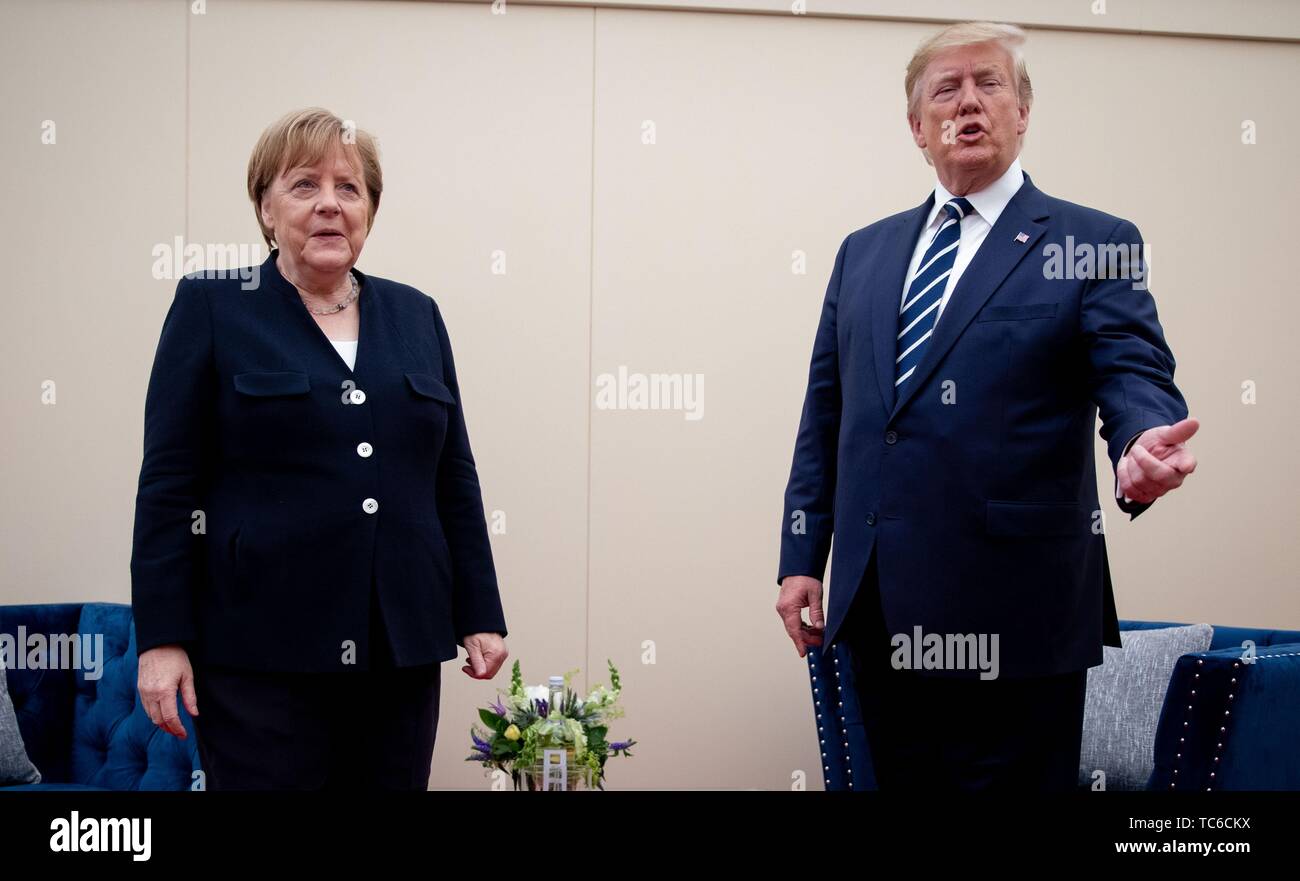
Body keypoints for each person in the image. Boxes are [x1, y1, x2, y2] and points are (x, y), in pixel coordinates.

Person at [774, 22, 1198, 791]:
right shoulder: (862, 253)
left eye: (990, 84)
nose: (968, 102)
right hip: (880, 610)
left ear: (1023, 110)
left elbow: (1133, 368)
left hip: (1020, 617)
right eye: (946, 89)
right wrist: (802, 560)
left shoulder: (1092, 241)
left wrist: (1142, 441)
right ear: (917, 127)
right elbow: (827, 418)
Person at [131, 107, 509, 790]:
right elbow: (168, 483)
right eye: (305, 185)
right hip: (257, 652)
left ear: (369, 210)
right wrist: (161, 637)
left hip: (400, 651)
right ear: (266, 208)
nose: (330, 203)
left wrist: (479, 610)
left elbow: (453, 474)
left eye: (350, 187)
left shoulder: (416, 313)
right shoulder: (213, 305)